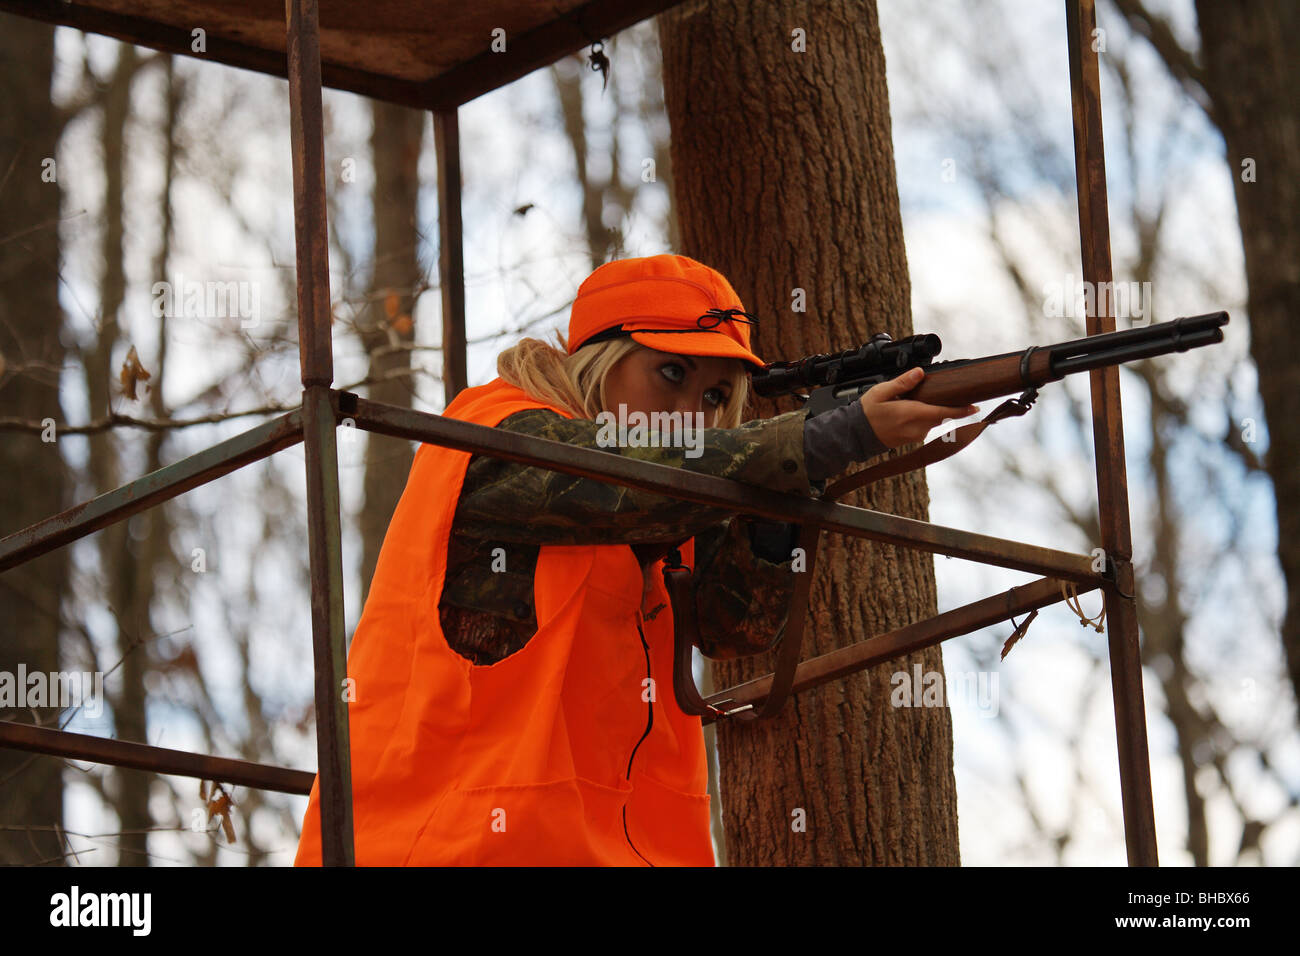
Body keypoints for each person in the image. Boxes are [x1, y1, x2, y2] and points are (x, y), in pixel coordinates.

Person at [293, 254, 977, 866]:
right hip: (445, 847)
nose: (690, 412)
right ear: (596, 359)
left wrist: (787, 495)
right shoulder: (497, 433)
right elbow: (613, 482)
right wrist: (829, 437)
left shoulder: (666, 498)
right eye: (671, 374)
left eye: (713, 397)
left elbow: (733, 627)